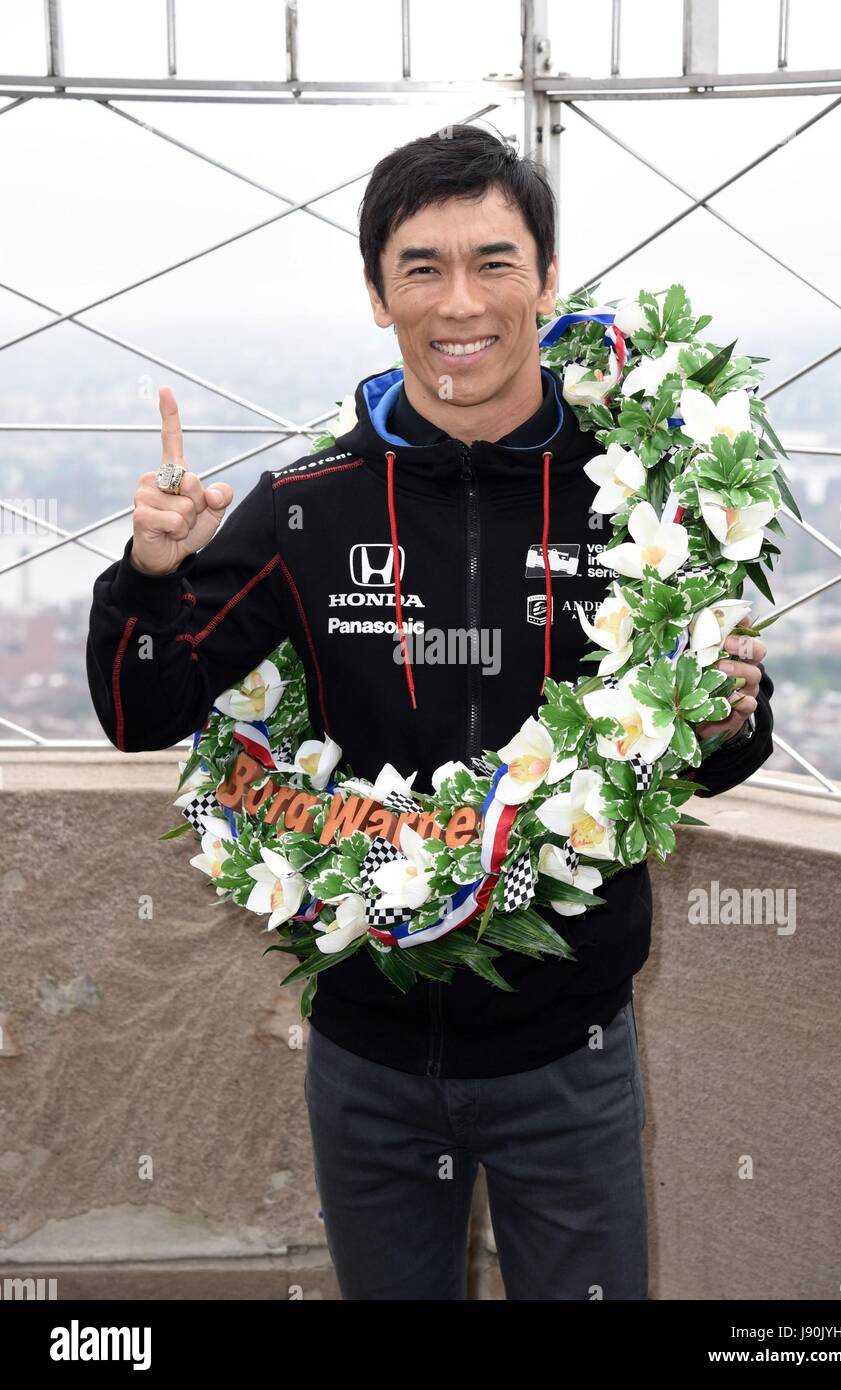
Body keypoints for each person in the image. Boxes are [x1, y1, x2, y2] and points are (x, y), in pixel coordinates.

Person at [86, 124, 773, 1301]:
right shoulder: (304, 507)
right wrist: (147, 572)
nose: (461, 303)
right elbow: (141, 705)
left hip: (572, 1052)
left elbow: (712, 753)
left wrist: (725, 721)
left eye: (494, 262)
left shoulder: (635, 493)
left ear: (545, 281)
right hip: (366, 1054)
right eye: (422, 267)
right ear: (375, 294)